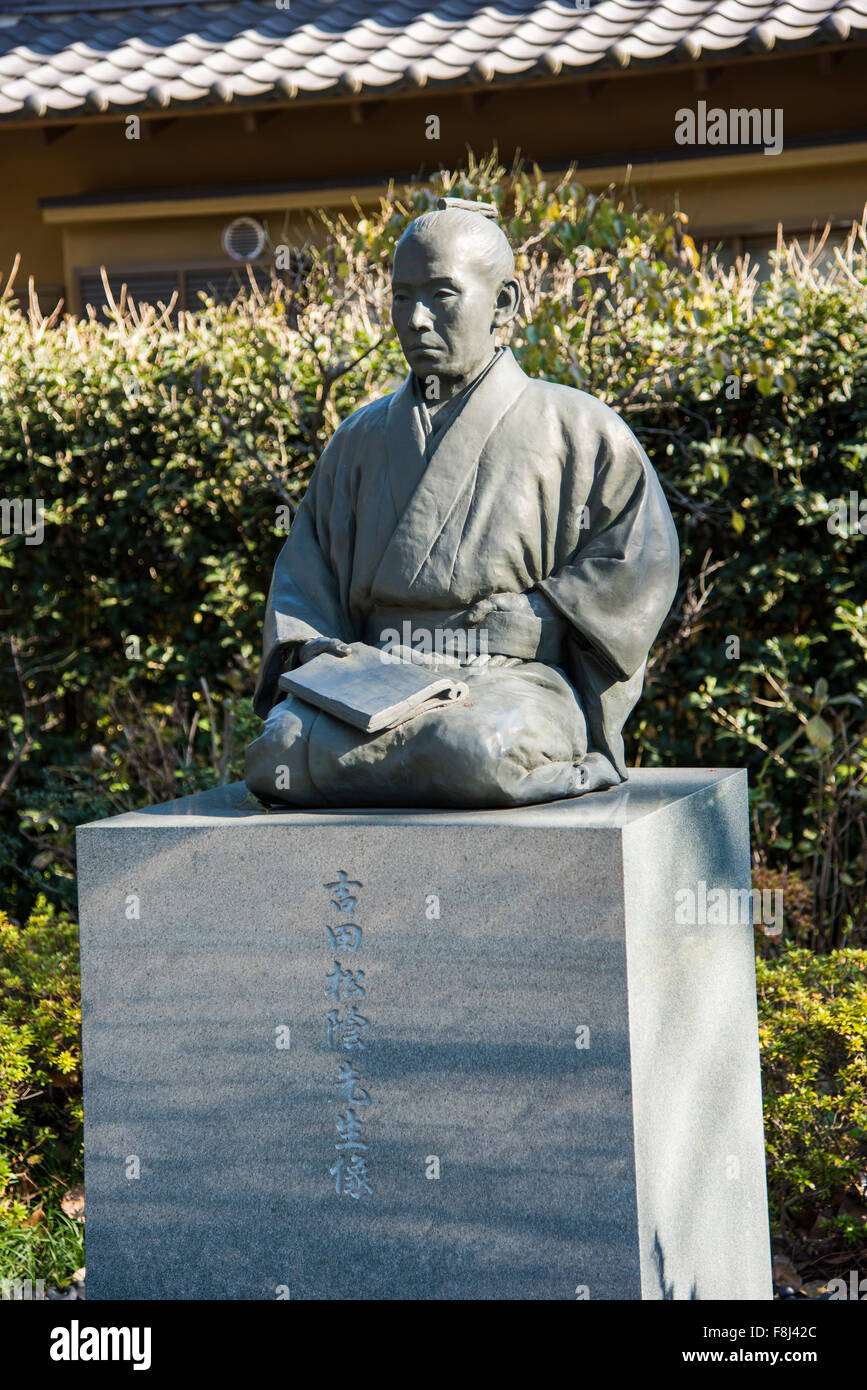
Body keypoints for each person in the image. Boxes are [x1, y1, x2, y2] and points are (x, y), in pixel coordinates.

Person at [245, 199, 679, 808]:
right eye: (402, 297)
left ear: (504, 303)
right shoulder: (360, 439)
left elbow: (636, 563)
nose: (417, 319)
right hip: (373, 677)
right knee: (280, 750)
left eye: (442, 295)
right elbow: (305, 574)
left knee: (473, 750)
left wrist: (535, 615)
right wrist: (318, 649)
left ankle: (566, 761)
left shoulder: (578, 428)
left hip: (510, 678)